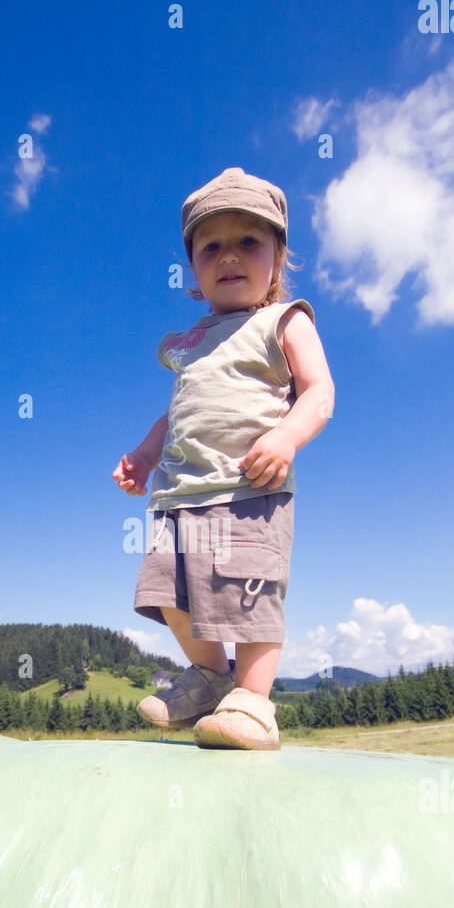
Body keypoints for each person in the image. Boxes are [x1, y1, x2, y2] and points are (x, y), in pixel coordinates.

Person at [113, 167, 334, 750]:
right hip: (178, 496)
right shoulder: (191, 345)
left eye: (248, 242)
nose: (229, 256)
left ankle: (255, 703)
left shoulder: (281, 321)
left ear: (277, 259)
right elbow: (175, 414)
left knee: (247, 594)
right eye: (211, 245)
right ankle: (210, 677)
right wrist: (142, 454)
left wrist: (286, 437)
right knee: (167, 593)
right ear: (193, 266)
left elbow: (318, 392)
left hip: (247, 490)